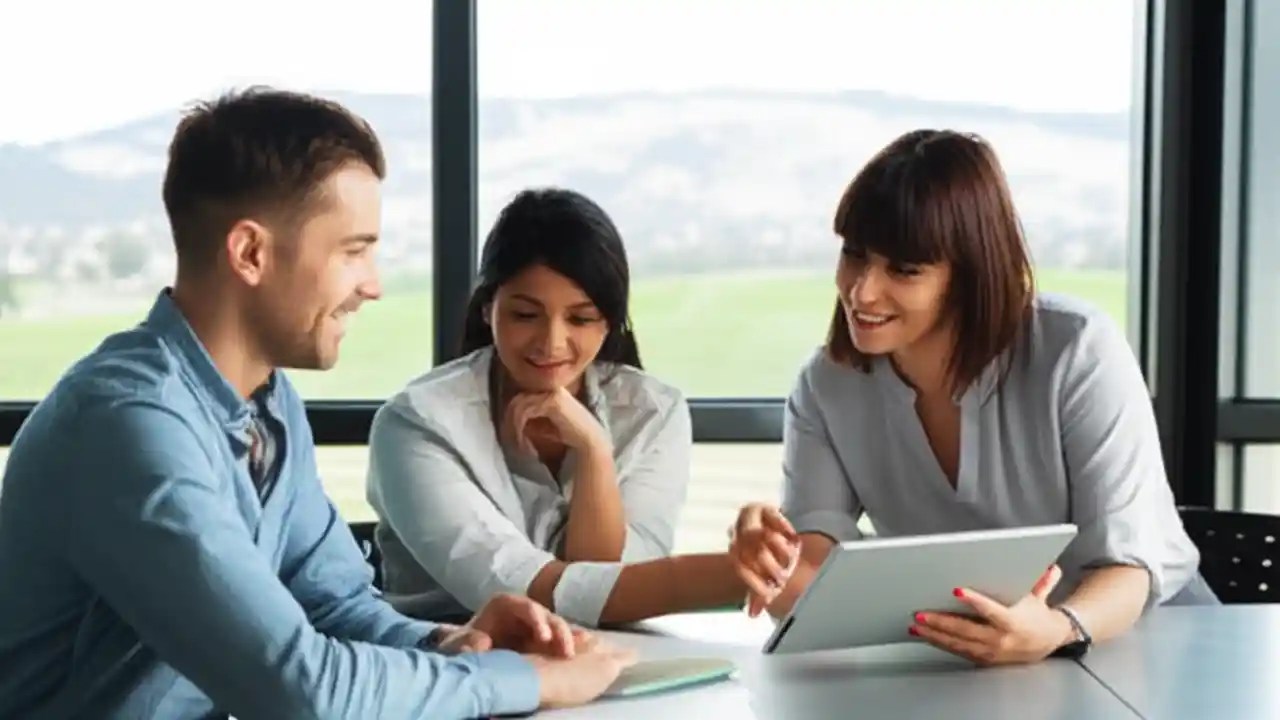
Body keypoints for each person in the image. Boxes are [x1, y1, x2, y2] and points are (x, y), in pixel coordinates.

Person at [0, 88, 634, 720]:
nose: (373, 285)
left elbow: (333, 606)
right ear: (251, 253)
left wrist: (450, 641)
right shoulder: (128, 428)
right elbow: (302, 689)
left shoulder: (270, 410)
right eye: (353, 250)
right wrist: (515, 679)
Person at [728, 129, 1215, 667]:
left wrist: (1057, 628)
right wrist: (771, 558)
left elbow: (1129, 569)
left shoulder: (1077, 350)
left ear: (970, 273)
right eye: (855, 255)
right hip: (973, 662)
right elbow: (808, 585)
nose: (862, 290)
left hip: (1150, 641)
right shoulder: (826, 385)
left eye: (904, 270)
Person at [367, 187, 745, 628]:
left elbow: (614, 583)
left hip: (606, 657)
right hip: (453, 660)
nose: (552, 342)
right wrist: (740, 574)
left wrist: (593, 450)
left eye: (581, 319)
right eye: (526, 315)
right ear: (489, 307)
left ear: (610, 321)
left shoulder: (653, 412)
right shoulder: (416, 424)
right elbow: (523, 590)